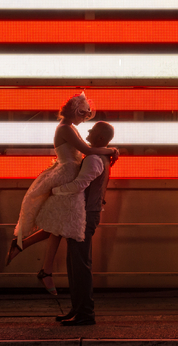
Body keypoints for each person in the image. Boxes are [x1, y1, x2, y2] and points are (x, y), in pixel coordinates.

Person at [6, 94, 117, 295]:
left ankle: (42, 265)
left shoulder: (69, 128)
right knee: (61, 224)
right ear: (76, 112)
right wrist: (111, 150)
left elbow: (86, 151)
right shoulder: (66, 128)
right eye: (83, 114)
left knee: (59, 224)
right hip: (67, 174)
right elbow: (86, 150)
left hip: (69, 172)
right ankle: (37, 261)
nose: (85, 120)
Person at [50, 121, 116, 326]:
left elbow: (79, 185)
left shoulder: (94, 159)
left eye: (92, 130)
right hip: (85, 214)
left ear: (99, 138)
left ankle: (85, 313)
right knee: (75, 264)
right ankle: (77, 309)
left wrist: (55, 191)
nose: (87, 131)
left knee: (80, 266)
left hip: (84, 216)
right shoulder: (102, 158)